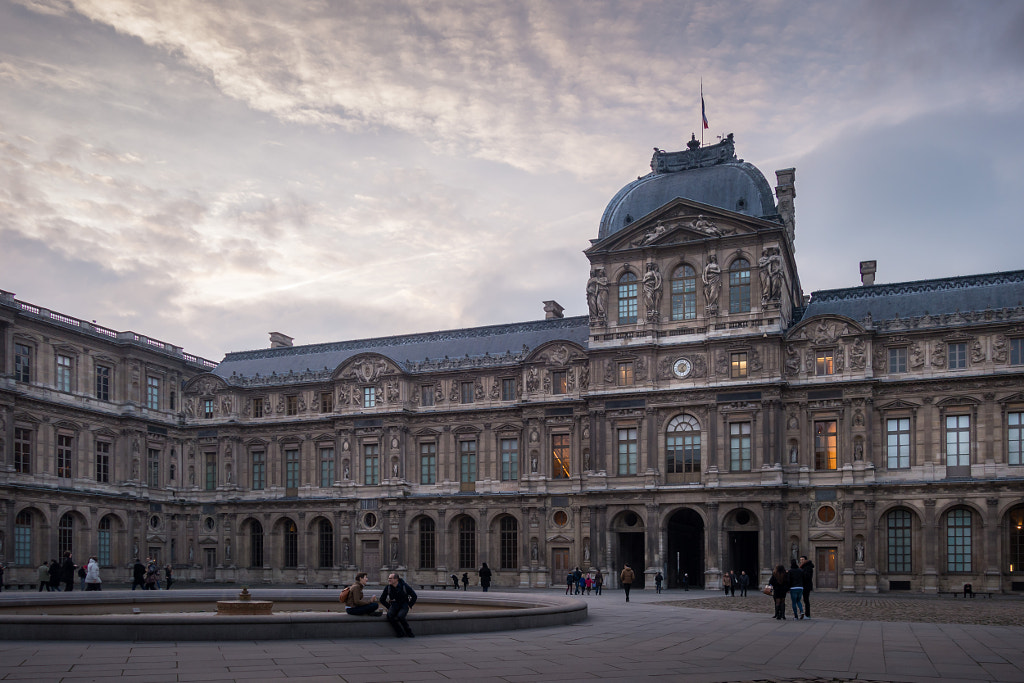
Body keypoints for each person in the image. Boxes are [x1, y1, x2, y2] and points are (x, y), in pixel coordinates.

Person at [378, 572, 417, 638]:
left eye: (391, 578)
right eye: (388, 578)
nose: (389, 580)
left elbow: (414, 596)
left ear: (396, 579)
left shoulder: (405, 586)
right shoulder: (388, 588)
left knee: (400, 616)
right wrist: (389, 607)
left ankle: (409, 632)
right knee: (389, 616)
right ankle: (399, 632)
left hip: (404, 605)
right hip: (394, 605)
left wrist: (409, 605)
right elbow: (382, 599)